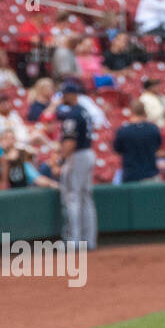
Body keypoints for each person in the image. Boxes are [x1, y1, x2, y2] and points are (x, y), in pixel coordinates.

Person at [56, 81, 97, 249]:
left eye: (65, 94)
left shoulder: (73, 114)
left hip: (77, 155)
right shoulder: (84, 112)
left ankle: (74, 241)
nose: (63, 97)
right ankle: (89, 240)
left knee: (73, 197)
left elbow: (70, 142)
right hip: (88, 153)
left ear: (72, 94)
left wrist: (61, 160)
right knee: (86, 197)